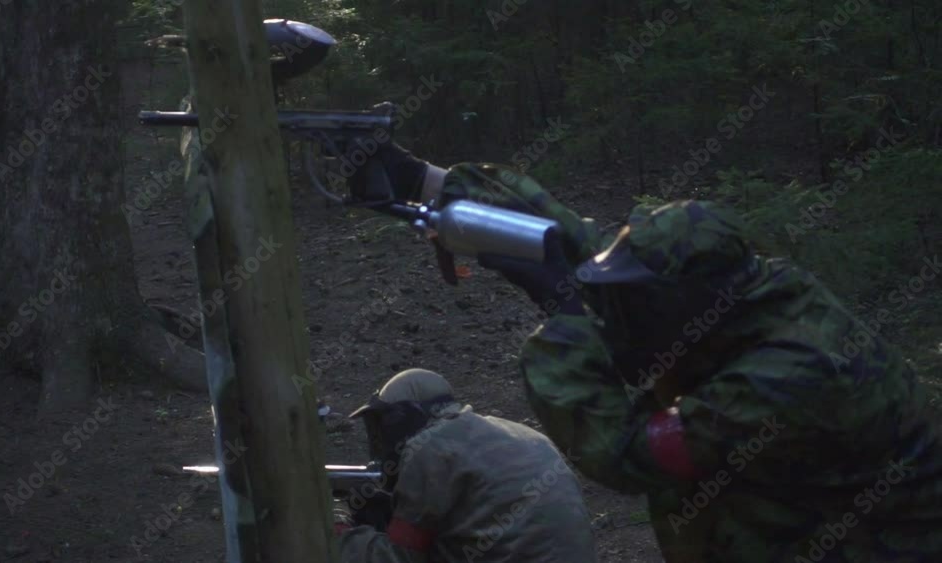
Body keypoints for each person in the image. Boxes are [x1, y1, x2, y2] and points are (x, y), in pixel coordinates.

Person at [345, 134, 942, 562]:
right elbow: (593, 248)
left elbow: (625, 453)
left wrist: (568, 317)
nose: (622, 313)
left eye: (634, 305)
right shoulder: (739, 286)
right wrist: (426, 182)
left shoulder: (790, 374)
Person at [335, 368, 597, 563]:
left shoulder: (429, 448)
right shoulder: (520, 433)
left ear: (400, 419)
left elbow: (399, 558)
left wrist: (338, 532)